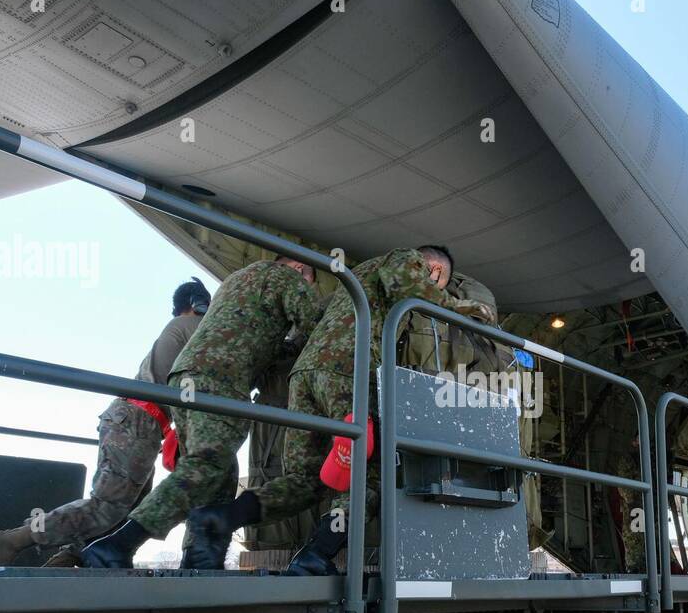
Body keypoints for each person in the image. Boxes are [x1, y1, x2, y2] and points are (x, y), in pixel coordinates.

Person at [184, 246, 492, 574]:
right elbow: (408, 285)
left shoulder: (354, 280)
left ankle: (222, 517)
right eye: (438, 279)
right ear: (434, 269)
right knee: (371, 475)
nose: (435, 285)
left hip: (304, 376)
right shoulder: (403, 259)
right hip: (349, 372)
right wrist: (465, 308)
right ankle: (317, 552)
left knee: (305, 479)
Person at [79, 257, 324, 569]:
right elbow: (318, 327)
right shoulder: (289, 279)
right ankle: (118, 544)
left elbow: (253, 337)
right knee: (206, 467)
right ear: (298, 268)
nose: (309, 285)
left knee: (221, 476)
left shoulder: (236, 281)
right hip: (220, 377)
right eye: (310, 279)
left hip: (188, 376)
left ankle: (200, 559)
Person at [0, 279, 211, 567]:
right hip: (136, 421)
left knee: (128, 509)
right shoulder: (191, 326)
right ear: (199, 305)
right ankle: (12, 540)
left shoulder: (178, 331)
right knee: (106, 507)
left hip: (139, 422)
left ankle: (67, 559)